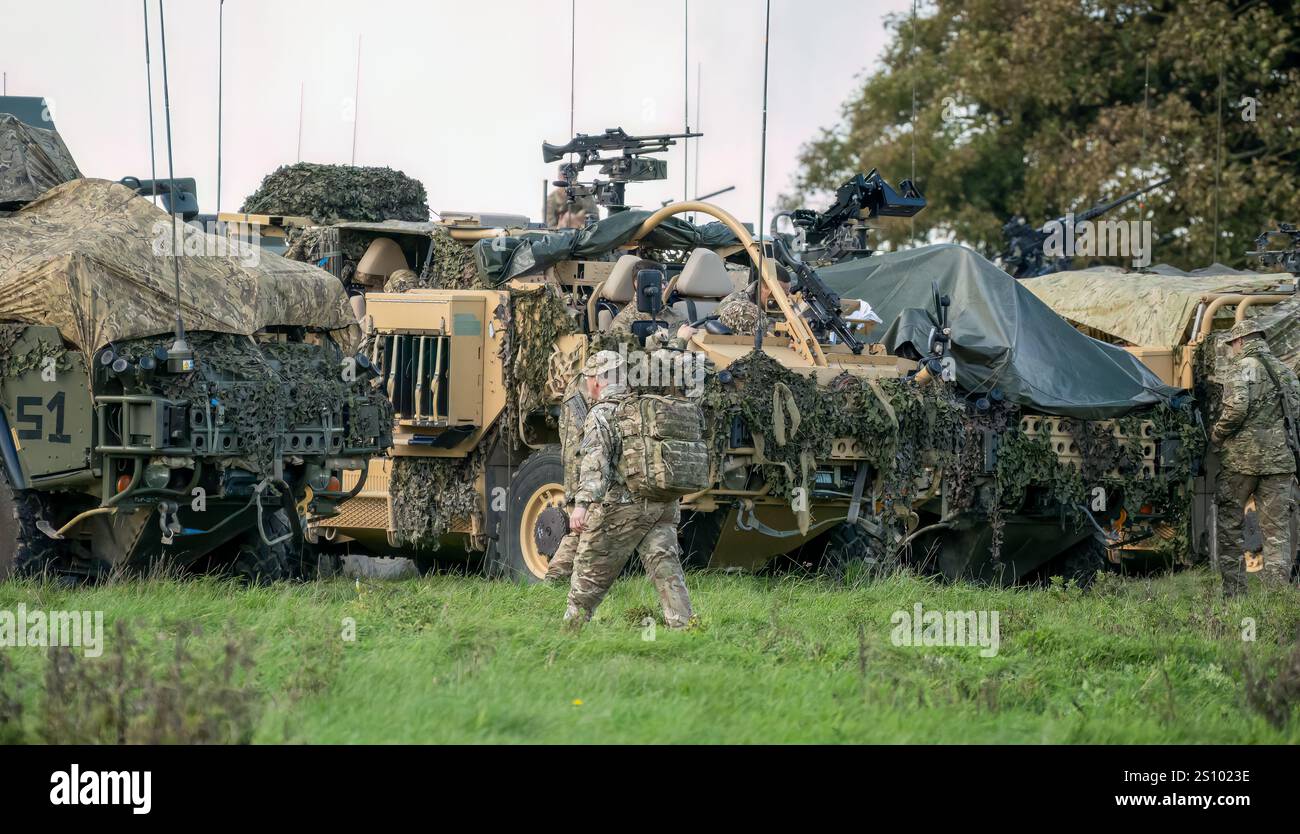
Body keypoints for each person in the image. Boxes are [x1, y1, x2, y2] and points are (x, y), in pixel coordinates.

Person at [564, 350, 694, 628]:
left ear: (598, 379)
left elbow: (595, 464)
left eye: (588, 378)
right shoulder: (645, 407)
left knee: (589, 570)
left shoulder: (601, 413)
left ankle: (569, 630)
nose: (587, 384)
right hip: (662, 503)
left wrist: (581, 505)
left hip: (624, 507)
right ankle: (685, 629)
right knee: (667, 570)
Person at [1211, 319, 1300, 595]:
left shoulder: (1240, 368)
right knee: (1277, 533)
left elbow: (1236, 409)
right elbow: (1295, 413)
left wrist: (1217, 434)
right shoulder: (1285, 371)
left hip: (1241, 461)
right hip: (1279, 461)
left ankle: (1235, 595)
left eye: (1232, 345)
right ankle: (1275, 598)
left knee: (1230, 525)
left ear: (1240, 341)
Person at [542, 368, 591, 583]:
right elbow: (580, 441)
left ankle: (561, 578)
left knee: (582, 531)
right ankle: (557, 577)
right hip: (583, 471)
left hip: (582, 469)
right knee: (581, 531)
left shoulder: (581, 383)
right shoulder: (584, 387)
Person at [608, 260, 696, 345]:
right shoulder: (623, 322)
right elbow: (634, 358)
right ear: (637, 283)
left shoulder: (677, 316)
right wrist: (681, 341)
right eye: (657, 282)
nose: (663, 286)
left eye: (664, 282)